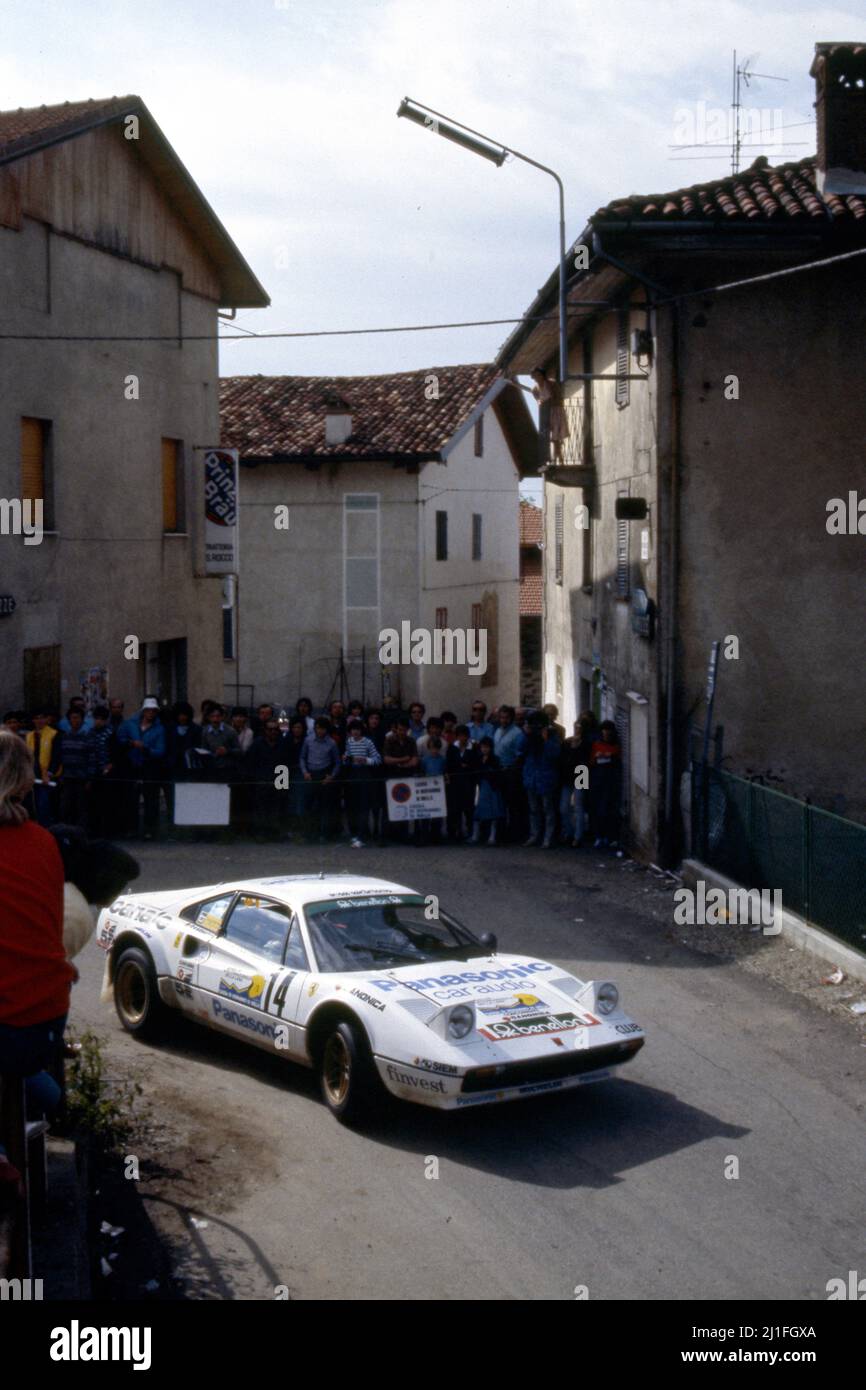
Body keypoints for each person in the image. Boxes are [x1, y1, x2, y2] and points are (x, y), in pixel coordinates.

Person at [0, 731, 77, 1188]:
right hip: (48, 1016)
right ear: (27, 782)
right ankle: (51, 1098)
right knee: (20, 1065)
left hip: (10, 1020)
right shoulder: (45, 842)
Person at [116, 698, 167, 838]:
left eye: (153, 710)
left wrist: (146, 749)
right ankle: (131, 828)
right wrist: (131, 743)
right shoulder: (130, 724)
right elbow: (120, 739)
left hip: (149, 766)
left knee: (151, 799)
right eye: (148, 710)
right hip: (132, 765)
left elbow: (161, 750)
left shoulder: (159, 728)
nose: (151, 713)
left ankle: (150, 830)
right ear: (143, 711)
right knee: (131, 799)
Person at [246, 716, 292, 840]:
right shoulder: (257, 743)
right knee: (261, 809)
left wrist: (283, 783)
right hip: (261, 781)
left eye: (275, 729)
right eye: (270, 729)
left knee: (278, 808)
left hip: (279, 780)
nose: (273, 732)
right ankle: (261, 833)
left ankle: (276, 833)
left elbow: (287, 763)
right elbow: (251, 763)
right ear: (265, 730)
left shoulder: (283, 744)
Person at [522, 713, 561, 849]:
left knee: (547, 809)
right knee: (534, 809)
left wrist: (546, 740)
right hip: (532, 777)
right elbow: (521, 750)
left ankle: (548, 837)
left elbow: (555, 754)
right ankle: (534, 835)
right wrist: (527, 735)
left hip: (546, 778)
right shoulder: (529, 737)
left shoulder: (552, 736)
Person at [48, 707, 91, 829]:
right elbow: (59, 756)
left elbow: (91, 758)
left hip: (82, 778)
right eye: (72, 718)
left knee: (81, 807)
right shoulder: (64, 737)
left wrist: (89, 778)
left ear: (82, 720)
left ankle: (81, 832)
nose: (75, 721)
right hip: (67, 777)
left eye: (78, 718)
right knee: (65, 807)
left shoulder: (87, 736)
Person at [342, 719, 381, 847]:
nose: (355, 732)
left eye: (358, 729)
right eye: (353, 729)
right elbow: (346, 759)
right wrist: (345, 759)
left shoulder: (368, 742)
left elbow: (377, 759)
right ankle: (353, 835)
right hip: (352, 775)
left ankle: (362, 834)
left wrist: (365, 760)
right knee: (352, 806)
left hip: (364, 774)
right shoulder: (348, 742)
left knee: (363, 806)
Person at [559, 713, 597, 846]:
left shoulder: (587, 744)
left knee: (578, 806)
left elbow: (585, 760)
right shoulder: (567, 742)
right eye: (576, 726)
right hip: (568, 775)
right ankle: (568, 832)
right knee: (564, 806)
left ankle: (577, 836)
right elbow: (563, 758)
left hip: (581, 772)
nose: (577, 729)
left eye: (580, 727)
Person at [299, 717, 340, 841]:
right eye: (318, 728)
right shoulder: (308, 740)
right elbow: (302, 757)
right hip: (310, 775)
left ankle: (325, 833)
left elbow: (337, 762)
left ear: (326, 729)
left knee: (325, 806)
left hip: (324, 774)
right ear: (315, 728)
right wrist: (305, 772)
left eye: (323, 728)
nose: (320, 731)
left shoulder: (332, 743)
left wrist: (331, 776)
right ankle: (309, 833)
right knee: (309, 805)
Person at [382, 716, 420, 842]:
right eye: (399, 729)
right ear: (395, 729)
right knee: (389, 806)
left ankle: (403, 835)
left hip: (406, 776)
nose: (401, 732)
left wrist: (403, 764)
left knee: (405, 805)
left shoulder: (411, 741)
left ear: (407, 730)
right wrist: (403, 759)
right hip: (392, 776)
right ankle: (386, 836)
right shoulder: (389, 740)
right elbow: (386, 759)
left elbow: (414, 760)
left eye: (404, 730)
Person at [493, 705, 527, 841]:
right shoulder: (497, 731)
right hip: (498, 770)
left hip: (511, 772)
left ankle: (515, 833)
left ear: (511, 718)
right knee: (500, 803)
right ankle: (502, 832)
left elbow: (520, 756)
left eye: (506, 718)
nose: (503, 720)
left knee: (513, 804)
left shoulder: (517, 733)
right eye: (501, 717)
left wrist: (512, 768)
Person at [591, 720, 622, 849]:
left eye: (608, 731)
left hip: (611, 782)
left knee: (610, 811)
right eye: (604, 731)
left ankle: (610, 837)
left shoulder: (616, 746)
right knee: (599, 811)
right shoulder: (596, 745)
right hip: (598, 782)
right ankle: (599, 836)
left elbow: (617, 760)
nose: (606, 733)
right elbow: (590, 762)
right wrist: (581, 784)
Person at [446, 724, 479, 841]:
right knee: (455, 809)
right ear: (456, 737)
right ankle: (456, 832)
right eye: (460, 736)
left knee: (469, 808)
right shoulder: (452, 748)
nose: (462, 738)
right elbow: (448, 764)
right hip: (455, 783)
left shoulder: (473, 748)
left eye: (464, 736)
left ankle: (470, 832)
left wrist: (466, 766)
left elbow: (476, 764)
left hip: (469, 783)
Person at [86, 705, 115, 836]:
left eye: (101, 719)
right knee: (93, 804)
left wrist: (111, 764)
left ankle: (107, 831)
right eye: (96, 718)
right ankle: (94, 830)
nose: (98, 721)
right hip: (92, 773)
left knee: (107, 804)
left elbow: (116, 753)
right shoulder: (90, 733)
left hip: (107, 774)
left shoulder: (111, 733)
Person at [26, 709, 57, 826]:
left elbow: (56, 756)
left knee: (45, 805)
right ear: (33, 720)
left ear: (47, 719)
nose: (40, 720)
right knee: (33, 806)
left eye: (42, 717)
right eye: (37, 718)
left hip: (48, 776)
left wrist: (49, 773)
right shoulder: (29, 735)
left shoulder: (54, 734)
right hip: (32, 775)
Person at [470, 737, 505, 845]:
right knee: (478, 812)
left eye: (487, 747)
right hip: (480, 788)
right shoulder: (478, 758)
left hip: (492, 787)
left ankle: (492, 836)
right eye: (482, 747)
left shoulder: (495, 759)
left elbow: (497, 774)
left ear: (491, 748)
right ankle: (475, 835)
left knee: (494, 813)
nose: (484, 749)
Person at [419, 736, 446, 844]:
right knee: (425, 814)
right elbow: (422, 772)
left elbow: (444, 772)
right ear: (429, 748)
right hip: (427, 789)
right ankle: (425, 836)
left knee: (437, 814)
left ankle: (436, 836)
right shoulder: (425, 759)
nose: (434, 750)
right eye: (432, 748)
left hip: (438, 790)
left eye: (436, 748)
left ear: (439, 748)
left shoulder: (443, 760)